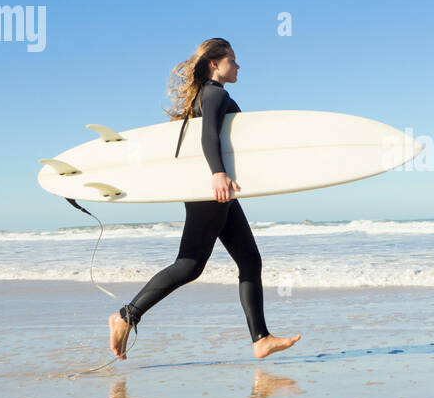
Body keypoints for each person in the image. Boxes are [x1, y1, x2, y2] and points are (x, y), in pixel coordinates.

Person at [107, 37, 301, 361]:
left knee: (250, 261)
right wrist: (218, 173)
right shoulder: (214, 94)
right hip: (212, 190)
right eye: (233, 60)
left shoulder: (203, 97)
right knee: (189, 265)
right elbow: (208, 135)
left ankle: (261, 339)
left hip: (217, 192)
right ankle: (126, 316)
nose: (238, 66)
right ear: (215, 63)